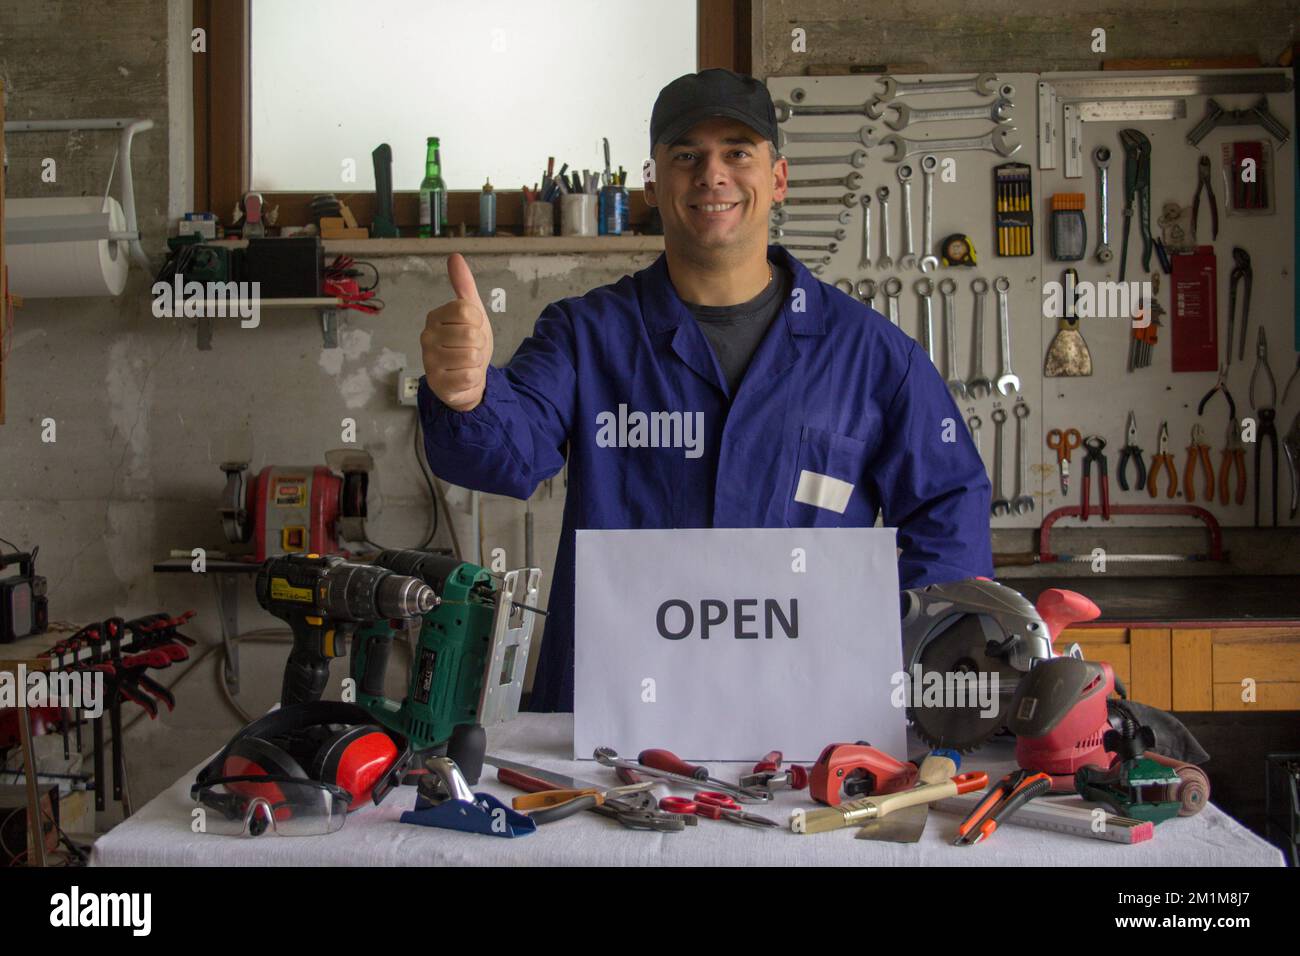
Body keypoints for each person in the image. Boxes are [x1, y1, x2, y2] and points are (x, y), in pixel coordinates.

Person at [418, 68, 991, 712]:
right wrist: (467, 395)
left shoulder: (872, 356)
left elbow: (947, 516)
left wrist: (905, 652)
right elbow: (509, 456)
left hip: (807, 716)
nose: (712, 175)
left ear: (777, 179)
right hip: (616, 715)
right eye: (687, 155)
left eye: (737, 153)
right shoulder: (587, 335)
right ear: (653, 182)